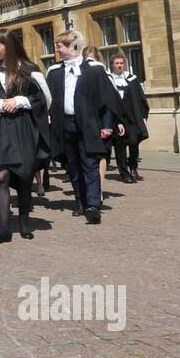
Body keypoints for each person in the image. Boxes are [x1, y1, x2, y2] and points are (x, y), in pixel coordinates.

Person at [0, 29, 49, 243]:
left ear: (10, 46)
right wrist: (1, 104)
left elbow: (41, 100)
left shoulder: (29, 71)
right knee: (1, 176)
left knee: (24, 177)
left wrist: (19, 101)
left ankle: (24, 223)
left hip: (23, 128)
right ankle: (4, 228)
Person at [45, 30, 125, 224]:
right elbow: (49, 100)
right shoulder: (55, 71)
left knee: (89, 164)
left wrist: (107, 125)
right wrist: (48, 116)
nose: (57, 49)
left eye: (60, 45)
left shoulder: (94, 69)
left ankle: (93, 205)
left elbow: (108, 101)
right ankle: (80, 202)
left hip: (88, 125)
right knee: (72, 166)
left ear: (73, 47)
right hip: (65, 124)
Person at [107, 53, 149, 182]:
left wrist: (143, 117)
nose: (119, 65)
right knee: (120, 146)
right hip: (117, 117)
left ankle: (133, 167)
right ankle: (124, 172)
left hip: (132, 116)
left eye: (121, 63)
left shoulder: (132, 79)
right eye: (117, 63)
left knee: (134, 143)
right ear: (112, 65)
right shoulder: (109, 80)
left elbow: (141, 99)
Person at [81, 45, 108, 182]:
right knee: (97, 155)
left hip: (94, 118)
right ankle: (96, 189)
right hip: (92, 119)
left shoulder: (99, 70)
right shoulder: (79, 71)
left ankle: (98, 188)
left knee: (98, 155)